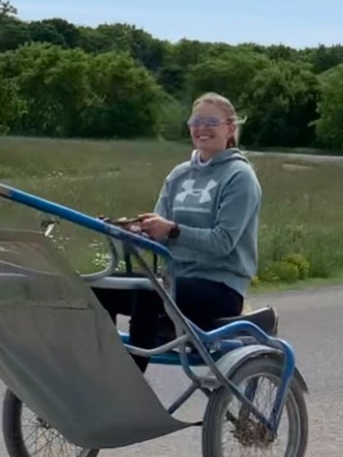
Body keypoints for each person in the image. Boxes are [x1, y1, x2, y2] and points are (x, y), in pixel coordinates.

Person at [94, 92, 262, 371]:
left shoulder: (239, 176)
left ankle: (129, 382)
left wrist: (172, 231)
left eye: (211, 122)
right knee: (98, 287)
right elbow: (157, 231)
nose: (202, 128)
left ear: (230, 128)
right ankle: (100, 366)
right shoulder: (179, 174)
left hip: (220, 287)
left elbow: (223, 242)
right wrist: (130, 230)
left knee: (149, 292)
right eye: (196, 121)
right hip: (174, 280)